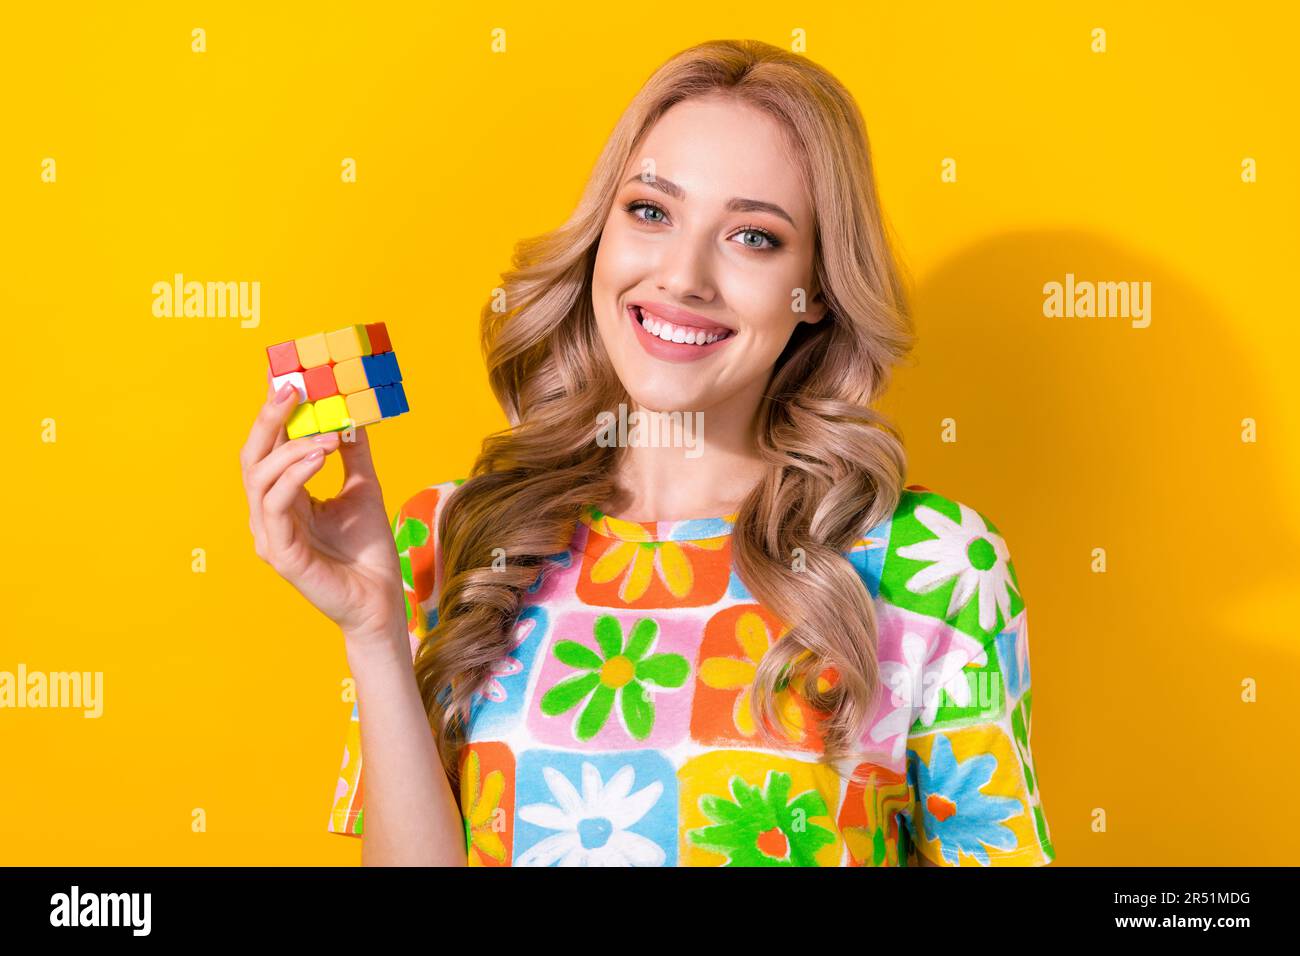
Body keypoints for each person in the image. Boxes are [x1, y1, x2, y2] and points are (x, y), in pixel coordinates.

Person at [240, 38, 1055, 867]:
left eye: (754, 237)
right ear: (602, 237)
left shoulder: (934, 565)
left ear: (816, 292)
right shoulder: (449, 538)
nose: (683, 276)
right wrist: (375, 633)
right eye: (652, 212)